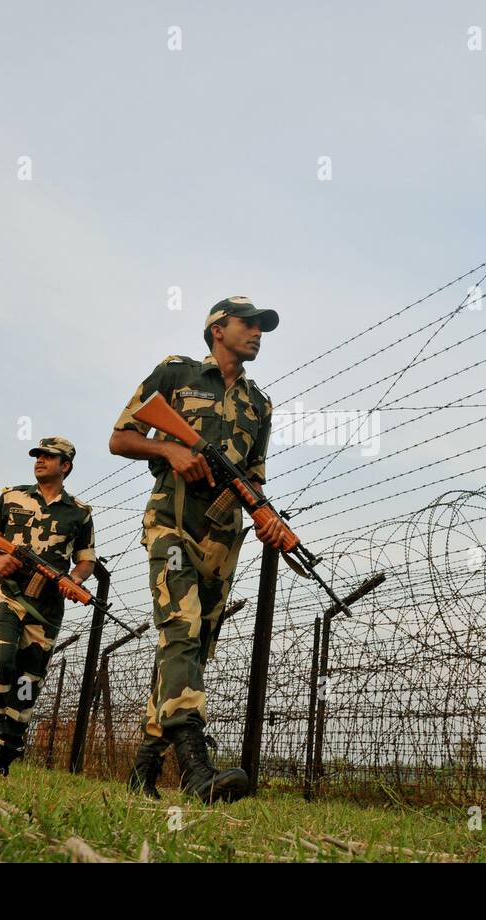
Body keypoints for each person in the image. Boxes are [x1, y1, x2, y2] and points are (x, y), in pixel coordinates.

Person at [108, 296, 289, 803]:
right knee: (182, 628)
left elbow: (253, 477)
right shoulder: (176, 373)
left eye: (261, 328)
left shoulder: (260, 403)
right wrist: (169, 449)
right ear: (217, 329)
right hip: (171, 522)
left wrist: (266, 517)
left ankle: (144, 768)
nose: (257, 333)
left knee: (190, 649)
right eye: (248, 325)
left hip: (222, 538)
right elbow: (121, 438)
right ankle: (196, 770)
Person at [0, 437, 96, 776]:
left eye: (48, 457)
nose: (40, 460)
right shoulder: (12, 497)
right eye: (37, 455)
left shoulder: (80, 513)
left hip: (47, 607)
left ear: (65, 465)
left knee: (28, 678)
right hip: (7, 595)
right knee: (0, 658)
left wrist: (75, 580)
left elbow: (85, 560)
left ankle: (6, 749)